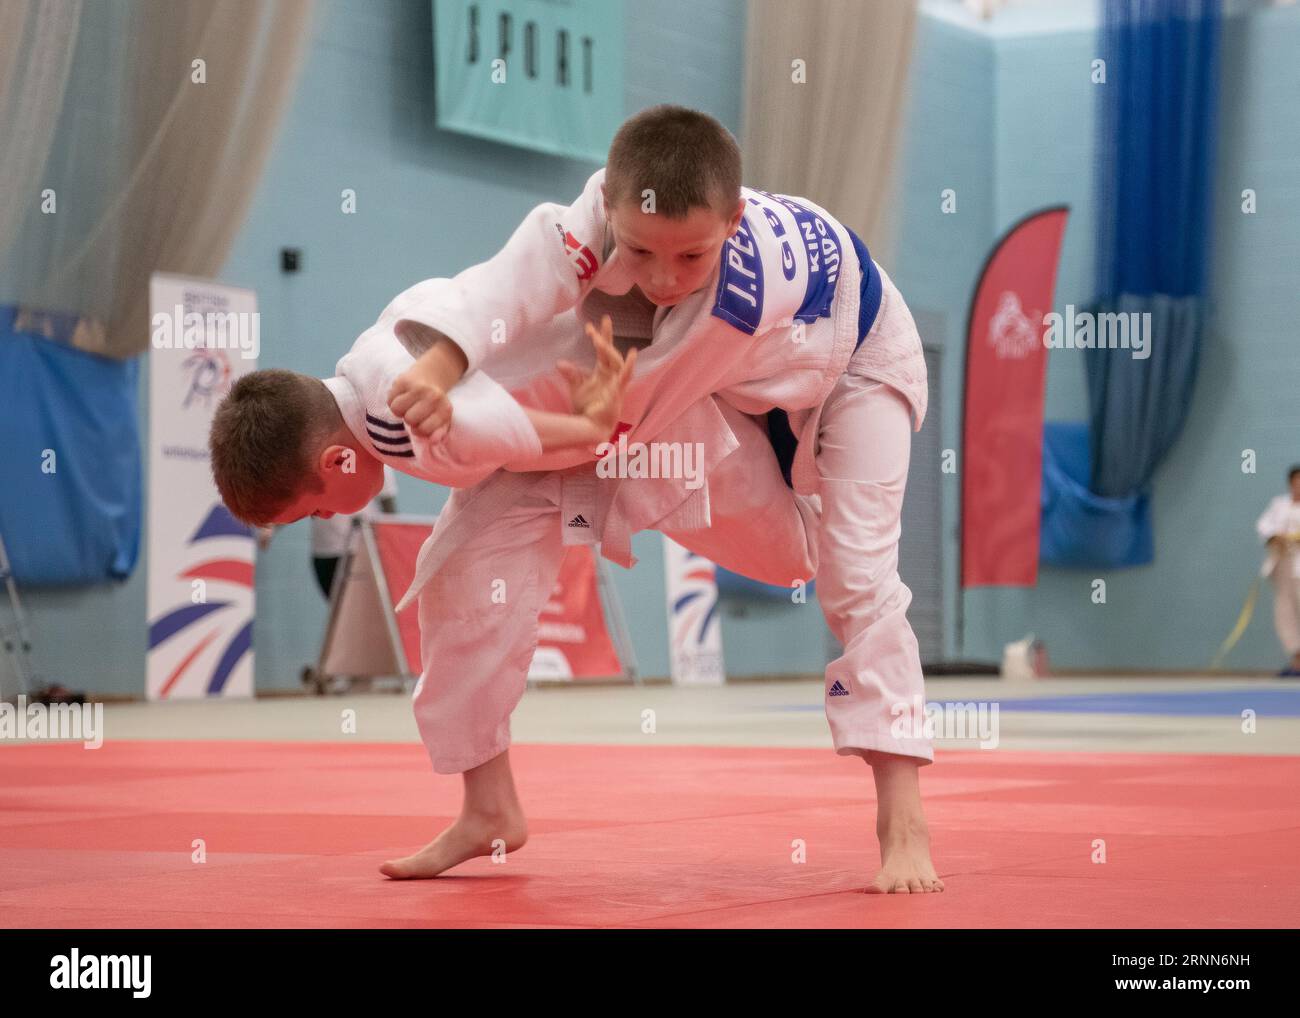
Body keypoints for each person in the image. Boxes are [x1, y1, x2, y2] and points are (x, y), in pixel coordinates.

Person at [379, 105, 941, 893]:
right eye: (641, 249)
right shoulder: (584, 220)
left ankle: (902, 816)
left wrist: (478, 435)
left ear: (734, 222)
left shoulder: (737, 293)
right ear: (610, 201)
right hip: (742, 396)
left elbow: (607, 428)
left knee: (850, 572)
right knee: (471, 544)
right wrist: (438, 377)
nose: (664, 276)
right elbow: (499, 290)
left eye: (692, 254)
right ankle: (487, 803)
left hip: (857, 360)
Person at [1255, 466, 1300, 676]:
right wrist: (1275, 537)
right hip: (1282, 562)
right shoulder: (1279, 504)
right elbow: (1264, 525)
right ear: (1290, 483)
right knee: (1284, 610)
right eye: (1296, 481)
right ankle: (1296, 660)